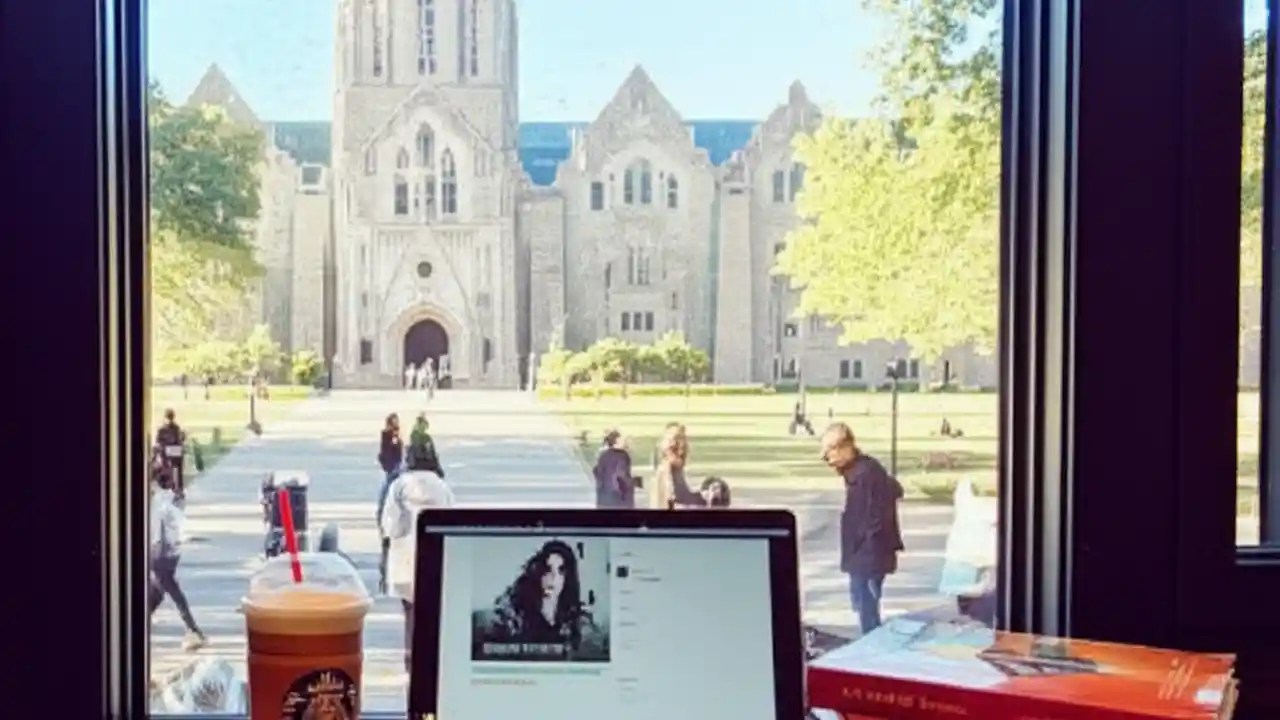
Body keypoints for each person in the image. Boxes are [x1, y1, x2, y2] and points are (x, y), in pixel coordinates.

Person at [819, 422, 905, 636]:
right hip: (864, 554)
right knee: (862, 605)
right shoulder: (862, 471)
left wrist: (860, 546)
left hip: (869, 555)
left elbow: (868, 519)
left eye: (830, 452)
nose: (827, 459)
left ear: (845, 447)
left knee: (866, 609)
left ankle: (872, 651)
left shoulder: (864, 475)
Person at [381, 432, 455, 672]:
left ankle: (410, 660)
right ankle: (431, 661)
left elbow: (390, 526)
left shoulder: (399, 486)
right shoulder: (442, 488)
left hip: (405, 560)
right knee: (432, 613)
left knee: (410, 613)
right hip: (436, 558)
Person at [481, 540, 603, 653]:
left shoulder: (578, 620)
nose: (553, 578)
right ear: (538, 571)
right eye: (548, 569)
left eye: (560, 571)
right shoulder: (513, 614)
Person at [150, 471, 206, 651]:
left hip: (160, 553)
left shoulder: (159, 502)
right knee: (159, 588)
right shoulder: (172, 500)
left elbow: (155, 530)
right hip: (171, 553)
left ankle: (193, 628)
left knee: (169, 589)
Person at [650, 424, 715, 509]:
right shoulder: (666, 471)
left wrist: (703, 497)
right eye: (676, 442)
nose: (682, 451)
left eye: (683, 441)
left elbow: (683, 498)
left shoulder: (674, 471)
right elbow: (673, 506)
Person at [377, 413, 404, 592]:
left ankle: (385, 575)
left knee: (386, 532)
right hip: (394, 478)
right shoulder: (391, 439)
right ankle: (386, 574)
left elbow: (385, 461)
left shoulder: (396, 442)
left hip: (393, 480)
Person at [593, 429, 634, 508]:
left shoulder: (603, 455)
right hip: (618, 497)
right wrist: (632, 483)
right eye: (623, 440)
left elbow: (596, 471)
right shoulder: (622, 456)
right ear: (616, 441)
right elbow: (621, 475)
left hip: (603, 496)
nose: (626, 442)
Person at [155, 408, 187, 499]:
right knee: (178, 467)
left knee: (171, 466)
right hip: (173, 452)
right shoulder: (176, 428)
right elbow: (179, 440)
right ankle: (179, 488)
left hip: (167, 452)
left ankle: (175, 487)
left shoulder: (162, 429)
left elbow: (159, 442)